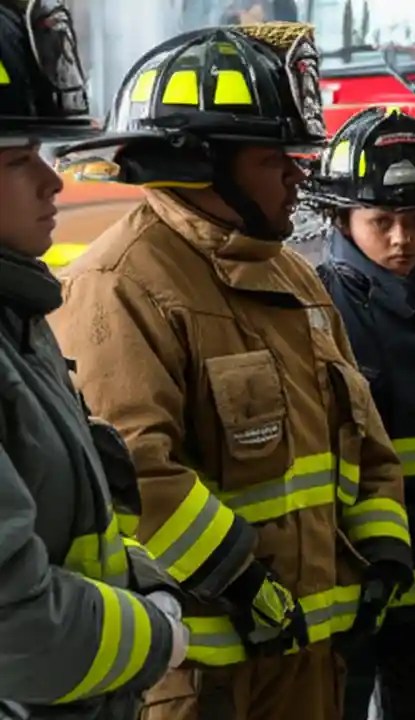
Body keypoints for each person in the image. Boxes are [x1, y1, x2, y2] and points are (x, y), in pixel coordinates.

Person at [47, 23, 413, 720]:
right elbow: (136, 474)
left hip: (312, 662)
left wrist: (383, 552)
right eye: (275, 158)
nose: (298, 175)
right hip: (207, 678)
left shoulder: (295, 279)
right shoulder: (120, 284)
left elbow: (362, 439)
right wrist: (242, 582)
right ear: (201, 163)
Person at [0, 1, 188, 717]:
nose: (55, 185)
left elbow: (65, 530)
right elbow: (15, 628)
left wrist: (135, 576)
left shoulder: (17, 314)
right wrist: (156, 635)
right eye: (21, 161)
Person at [302, 105, 415, 720]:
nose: (401, 239)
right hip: (345, 573)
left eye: (414, 218)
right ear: (343, 220)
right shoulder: (314, 312)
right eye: (381, 221)